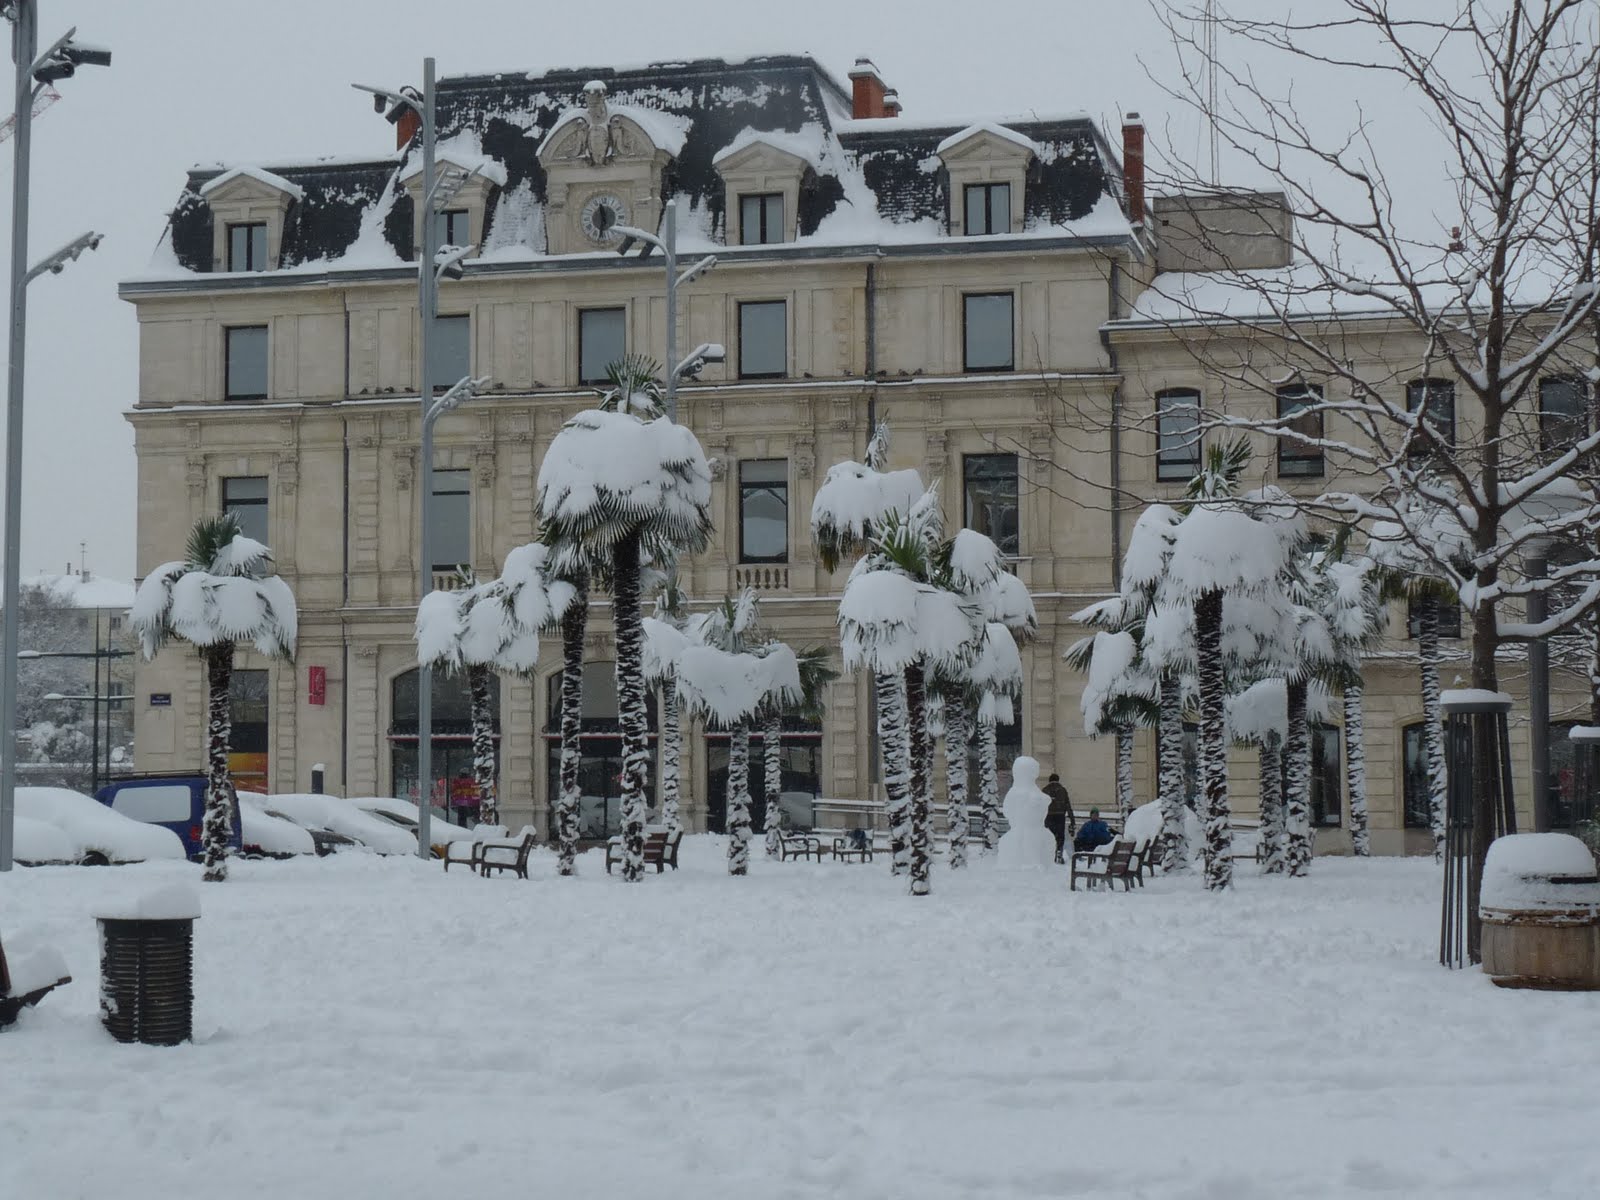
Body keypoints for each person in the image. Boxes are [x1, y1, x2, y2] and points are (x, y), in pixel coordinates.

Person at [1042, 772, 1077, 863]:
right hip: (1060, 816)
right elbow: (1068, 806)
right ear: (1058, 780)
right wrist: (1072, 821)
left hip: (1048, 816)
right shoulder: (1063, 790)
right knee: (1060, 836)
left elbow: (1040, 806)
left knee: (1050, 836)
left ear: (1049, 780)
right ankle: (1059, 851)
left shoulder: (1044, 790)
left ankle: (1050, 854)